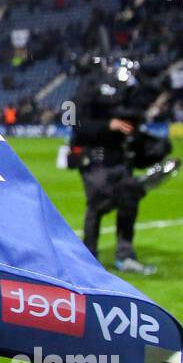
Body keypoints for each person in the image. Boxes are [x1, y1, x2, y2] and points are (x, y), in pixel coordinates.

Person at [68, 56, 163, 274]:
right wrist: (107, 125)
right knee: (98, 204)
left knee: (129, 201)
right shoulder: (87, 91)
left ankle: (125, 255)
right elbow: (77, 126)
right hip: (95, 160)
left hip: (120, 159)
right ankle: (88, 256)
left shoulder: (125, 98)